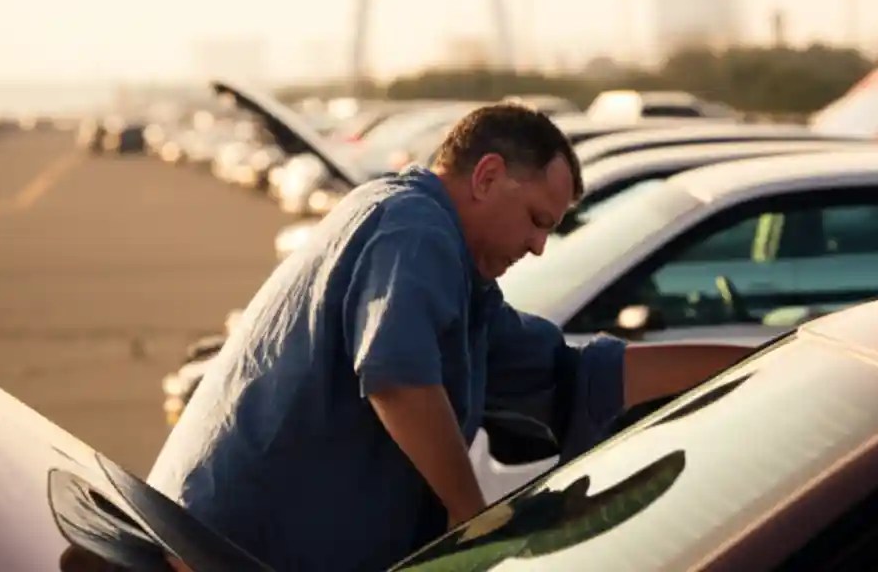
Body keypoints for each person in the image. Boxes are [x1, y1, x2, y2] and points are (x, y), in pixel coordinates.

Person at [147, 103, 748, 571]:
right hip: (220, 560)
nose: (540, 246)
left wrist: (767, 362)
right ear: (487, 176)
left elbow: (579, 371)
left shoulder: (463, 285)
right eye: (538, 219)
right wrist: (472, 522)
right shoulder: (412, 227)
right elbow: (399, 380)